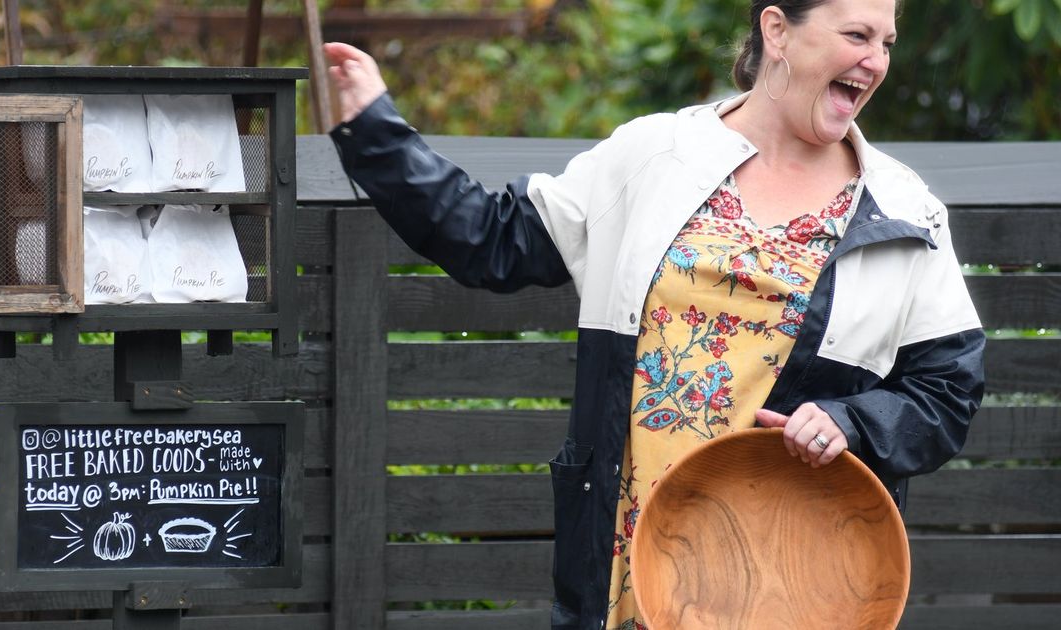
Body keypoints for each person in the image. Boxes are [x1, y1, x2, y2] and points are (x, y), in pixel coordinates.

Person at [324, 0, 984, 627]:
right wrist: (375, 131)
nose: (875, 60)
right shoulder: (654, 157)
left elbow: (947, 391)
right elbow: (494, 238)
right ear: (778, 31)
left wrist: (851, 421)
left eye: (886, 42)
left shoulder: (904, 208)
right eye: (857, 36)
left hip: (795, 584)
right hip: (635, 557)